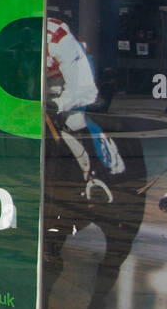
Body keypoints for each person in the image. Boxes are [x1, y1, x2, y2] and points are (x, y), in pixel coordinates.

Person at [46, 17, 124, 198]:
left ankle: (94, 175)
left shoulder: (59, 39)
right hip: (45, 75)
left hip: (74, 72)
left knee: (73, 120)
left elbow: (82, 89)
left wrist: (58, 104)